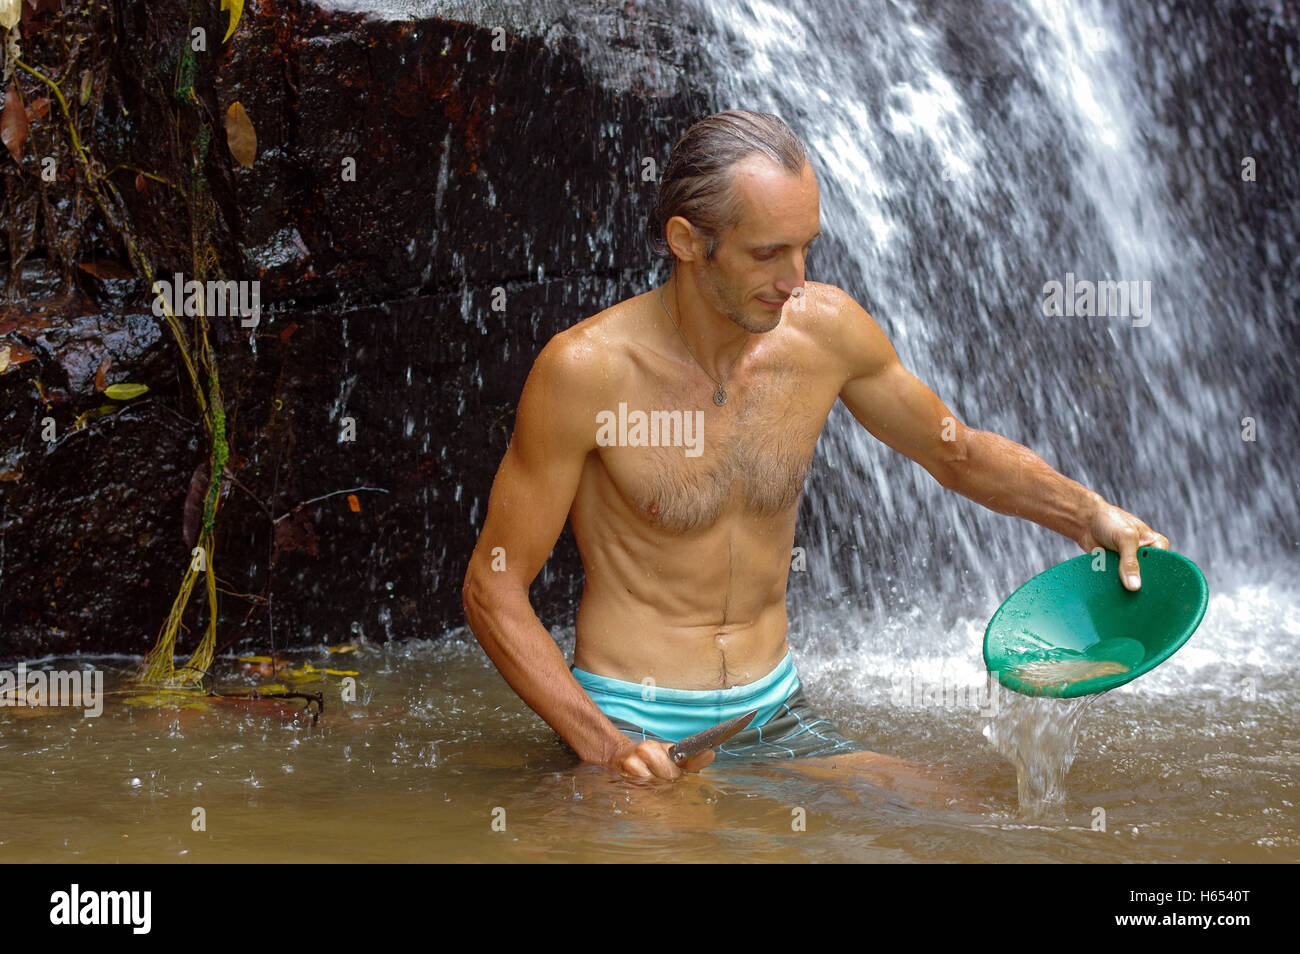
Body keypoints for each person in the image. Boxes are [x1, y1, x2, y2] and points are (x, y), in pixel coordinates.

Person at [462, 109, 1168, 782]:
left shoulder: (825, 331)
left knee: (968, 824)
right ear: (685, 241)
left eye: (807, 248)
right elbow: (493, 586)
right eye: (768, 254)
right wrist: (604, 748)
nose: (794, 281)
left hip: (778, 716)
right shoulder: (585, 371)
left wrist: (1089, 517)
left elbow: (958, 452)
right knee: (679, 841)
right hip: (634, 718)